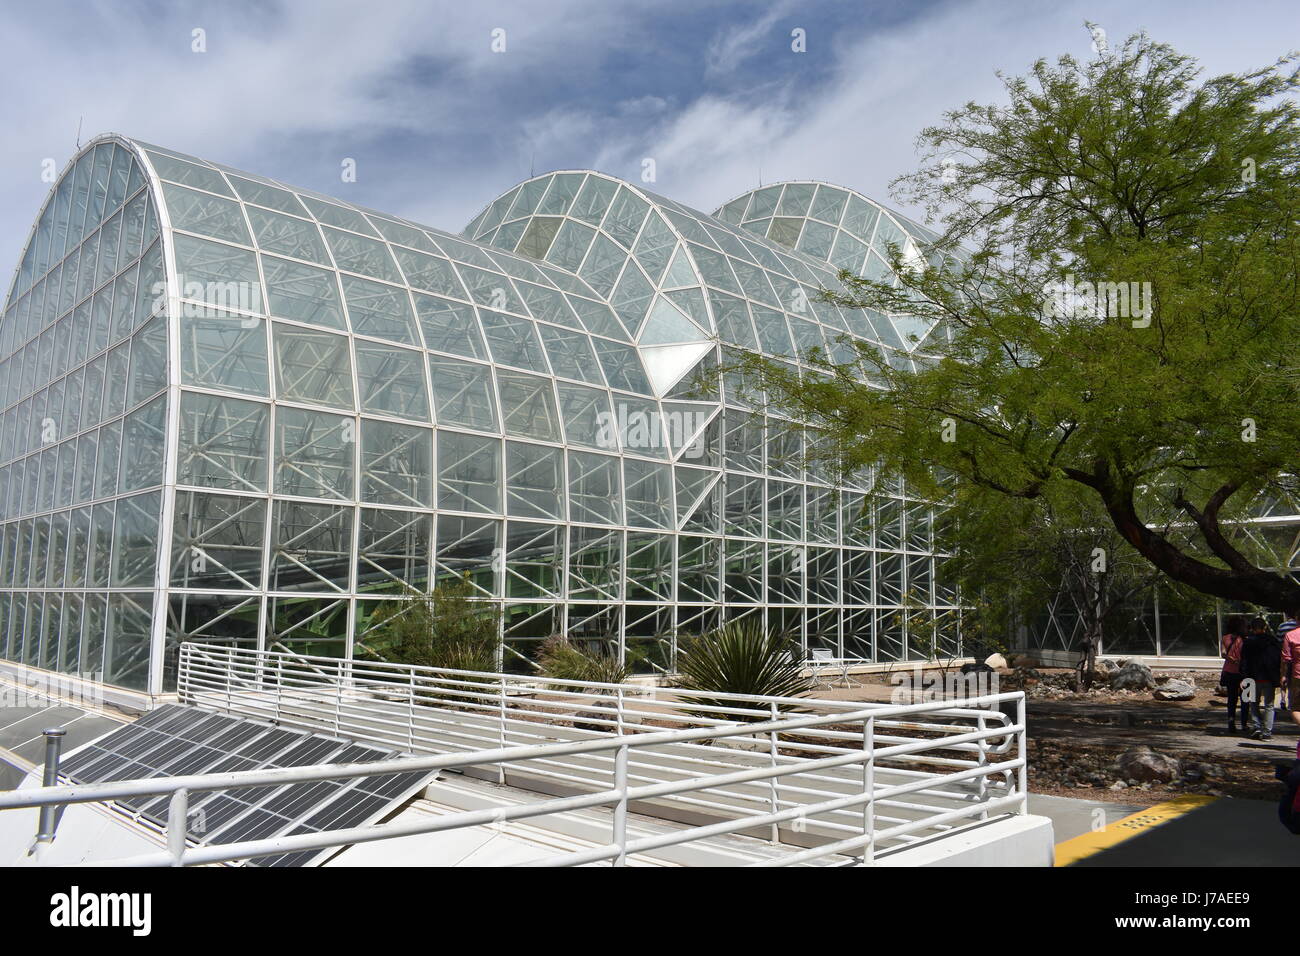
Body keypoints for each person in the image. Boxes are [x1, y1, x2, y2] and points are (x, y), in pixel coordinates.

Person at [1240, 616, 1280, 740]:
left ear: (1252, 628)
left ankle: (1256, 726)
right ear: (1265, 627)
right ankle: (1267, 731)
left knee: (1253, 703)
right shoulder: (1272, 641)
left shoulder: (1248, 642)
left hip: (1252, 677)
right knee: (1269, 705)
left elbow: (1244, 661)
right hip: (1268, 677)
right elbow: (1277, 660)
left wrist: (1243, 677)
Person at [1220, 615, 1248, 733]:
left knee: (1232, 698)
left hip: (1229, 671)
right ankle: (1244, 724)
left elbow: (1223, 653)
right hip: (1245, 673)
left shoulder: (1225, 638)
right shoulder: (1246, 639)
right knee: (1245, 698)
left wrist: (1231, 659)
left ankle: (1231, 722)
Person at [1282, 608, 1300, 760]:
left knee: (1295, 707)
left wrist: (1282, 675)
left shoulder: (1290, 635)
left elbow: (1286, 659)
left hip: (1297, 676)